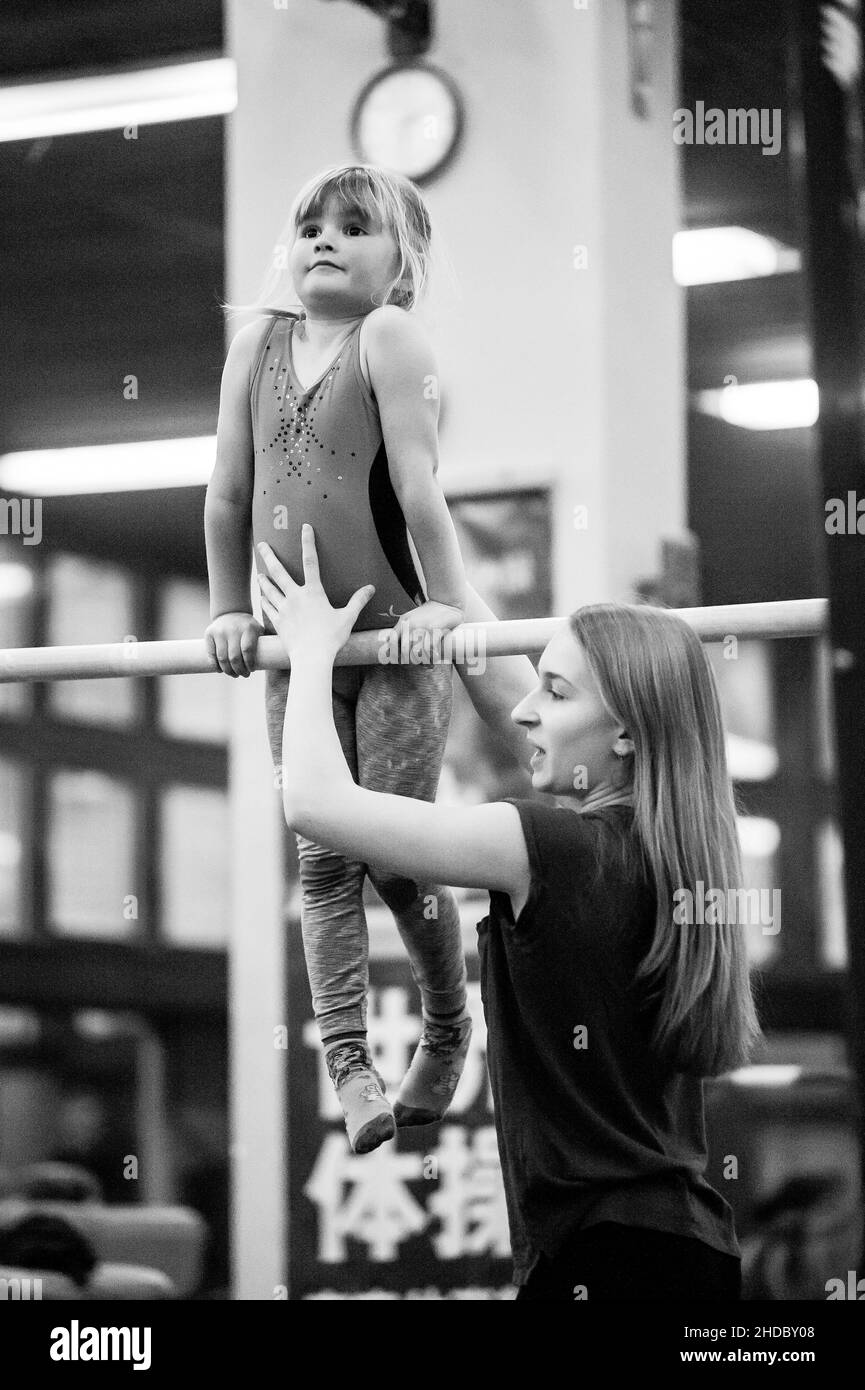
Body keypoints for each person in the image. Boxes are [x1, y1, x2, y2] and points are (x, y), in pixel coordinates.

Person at [255, 527, 763, 1302]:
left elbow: (316, 805)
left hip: (609, 1258)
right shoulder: (665, 852)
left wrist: (310, 650)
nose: (525, 710)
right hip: (679, 1247)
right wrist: (422, 541)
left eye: (555, 694)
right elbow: (507, 698)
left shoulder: (549, 848)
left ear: (623, 733)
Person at [203, 165, 472, 1156]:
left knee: (398, 861)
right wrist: (230, 607)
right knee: (320, 862)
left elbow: (418, 483)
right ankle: (350, 1065)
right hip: (295, 643)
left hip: (391, 635)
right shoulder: (255, 343)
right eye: (309, 224)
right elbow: (226, 495)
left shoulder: (388, 340)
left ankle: (447, 1030)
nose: (324, 239)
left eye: (353, 229)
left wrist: (443, 603)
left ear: (400, 263)